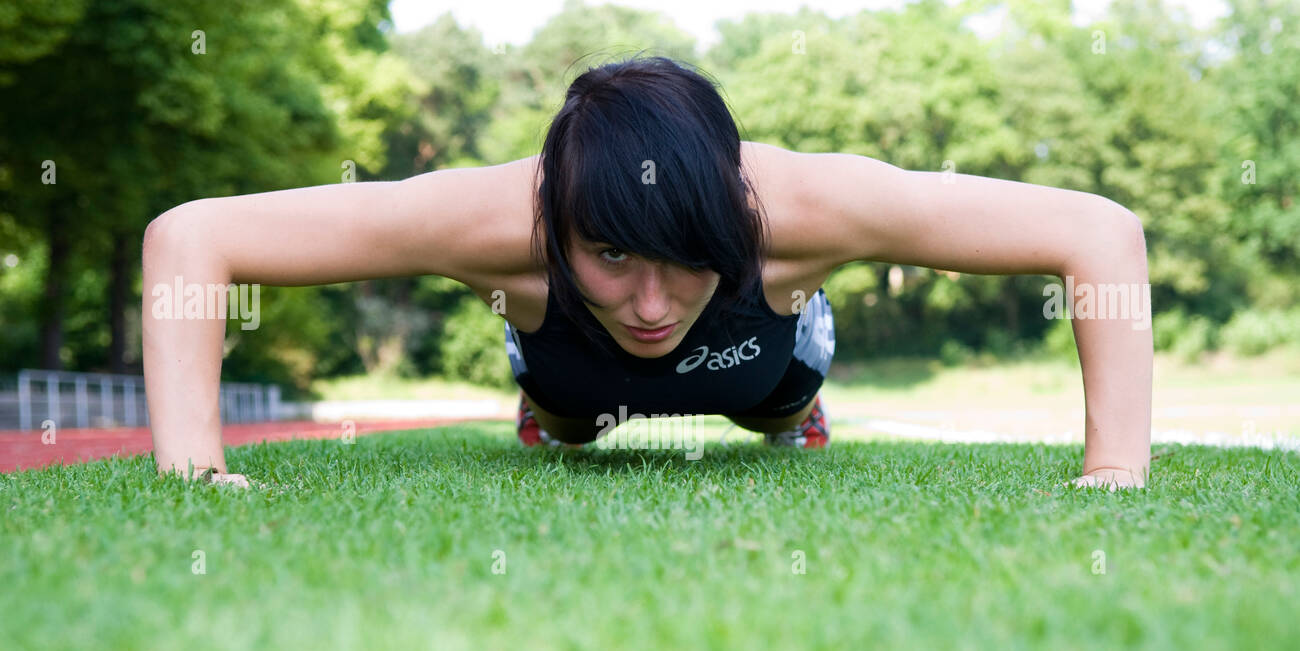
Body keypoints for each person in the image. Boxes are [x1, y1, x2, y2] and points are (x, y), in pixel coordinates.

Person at [142, 55, 1151, 489]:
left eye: (685, 261)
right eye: (612, 256)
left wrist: (1112, 469)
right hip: (564, 363)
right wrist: (195, 469)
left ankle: (788, 412)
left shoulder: (814, 208)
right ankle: (561, 407)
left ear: (733, 218)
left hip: (765, 356)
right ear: (557, 221)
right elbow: (190, 239)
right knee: (573, 420)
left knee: (768, 404)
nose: (653, 304)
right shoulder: (485, 219)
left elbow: (1100, 235)